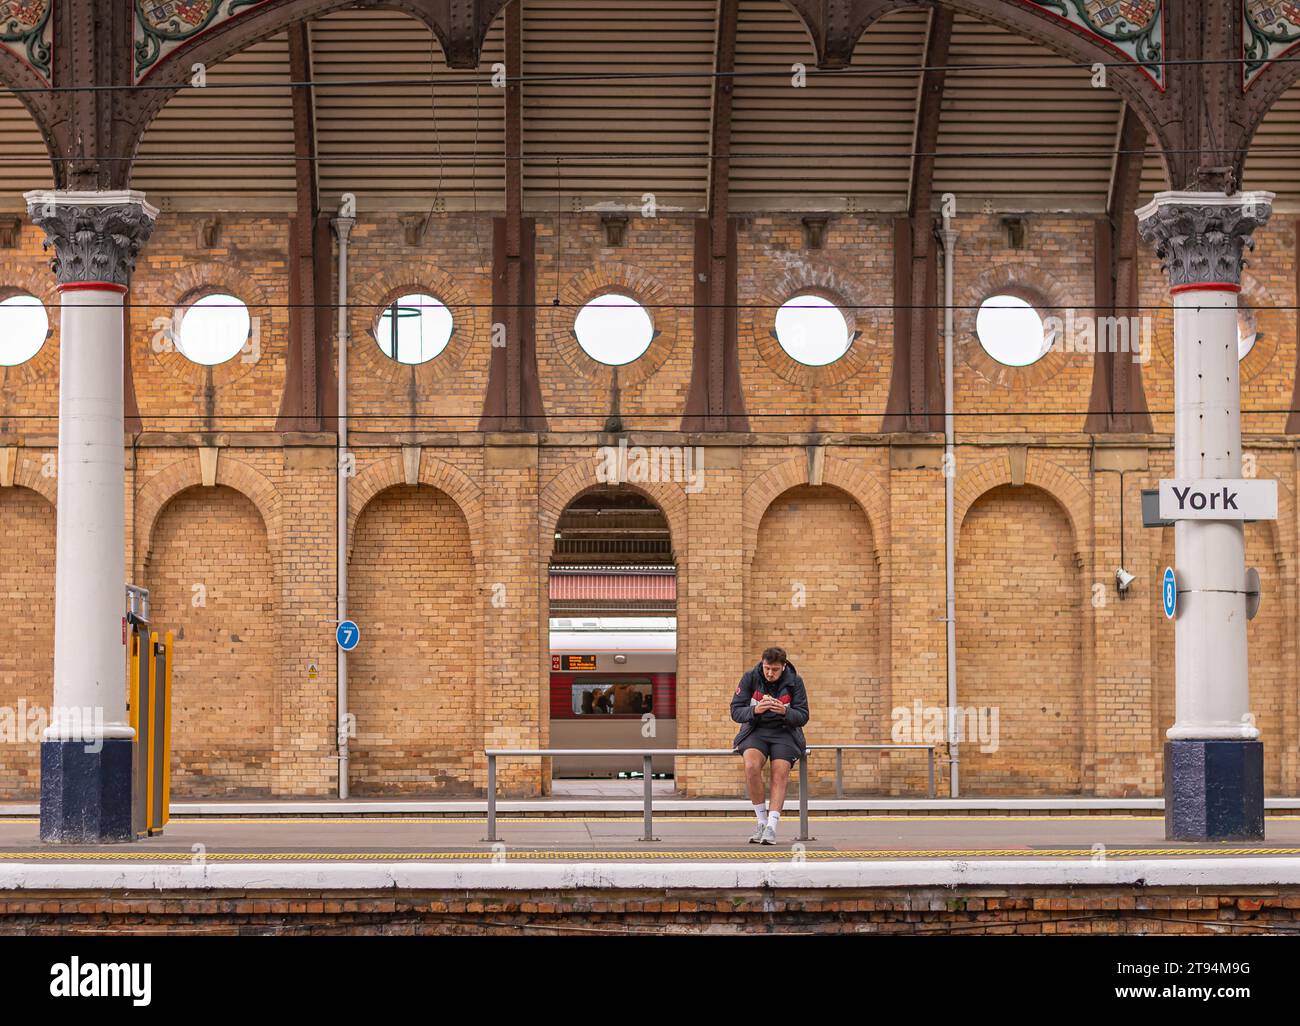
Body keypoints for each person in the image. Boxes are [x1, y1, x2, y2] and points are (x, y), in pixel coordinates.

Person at [730, 646, 809, 845]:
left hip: (785, 732)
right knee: (751, 766)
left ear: (783, 666)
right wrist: (755, 710)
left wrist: (785, 711)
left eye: (774, 669)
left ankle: (772, 827)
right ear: (762, 664)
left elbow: (803, 716)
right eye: (767, 668)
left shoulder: (795, 682)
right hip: (755, 731)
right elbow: (735, 711)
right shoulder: (750, 677)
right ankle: (761, 822)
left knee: (779, 772)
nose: (770, 673)